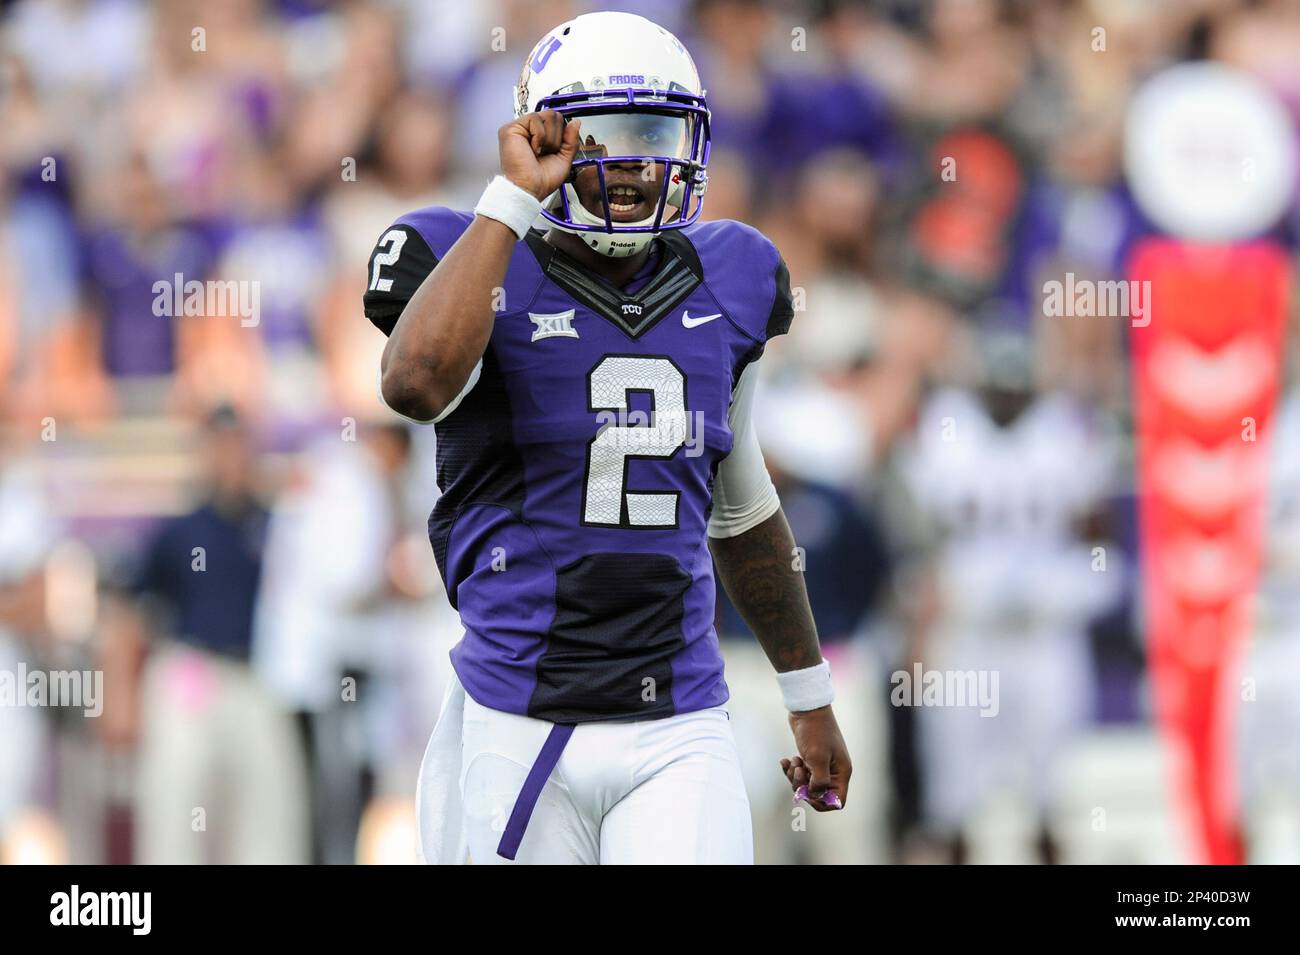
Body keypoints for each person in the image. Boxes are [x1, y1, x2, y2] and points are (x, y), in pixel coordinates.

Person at [365, 11, 851, 864]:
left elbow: (741, 509)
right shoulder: (472, 256)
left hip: (680, 718)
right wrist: (511, 200)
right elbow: (415, 383)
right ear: (541, 132)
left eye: (656, 131)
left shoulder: (730, 277)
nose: (635, 160)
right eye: (608, 132)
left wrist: (808, 696)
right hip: (516, 716)